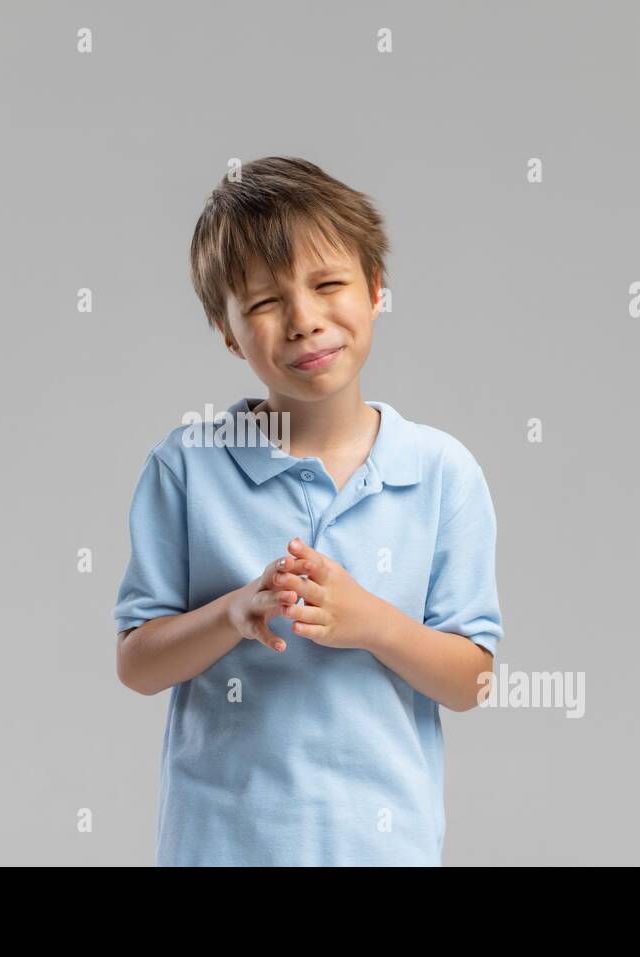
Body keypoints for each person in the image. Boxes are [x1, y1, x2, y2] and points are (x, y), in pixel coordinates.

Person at [112, 156, 504, 866]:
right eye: (264, 303)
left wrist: (373, 623)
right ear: (229, 333)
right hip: (218, 847)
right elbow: (138, 662)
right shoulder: (187, 468)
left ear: (377, 289)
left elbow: (472, 678)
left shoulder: (443, 473)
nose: (303, 320)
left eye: (329, 285)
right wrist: (233, 613)